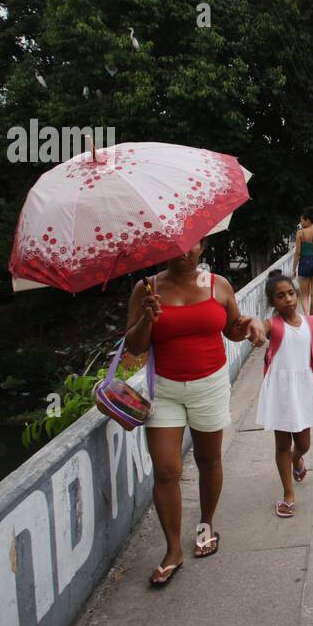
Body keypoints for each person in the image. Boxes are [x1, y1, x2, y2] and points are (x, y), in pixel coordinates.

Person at [126, 237, 266, 588]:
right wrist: (147, 318)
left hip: (210, 386)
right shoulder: (146, 289)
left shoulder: (217, 284)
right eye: (174, 247)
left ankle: (206, 523)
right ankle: (173, 550)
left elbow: (231, 330)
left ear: (202, 246)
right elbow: (134, 346)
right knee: (165, 470)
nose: (184, 254)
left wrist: (249, 324)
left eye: (192, 246)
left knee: (209, 460)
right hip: (165, 389)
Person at [257, 271, 313, 519]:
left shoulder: (311, 323)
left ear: (297, 294)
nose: (288, 299)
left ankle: (297, 459)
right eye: (280, 296)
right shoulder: (273, 325)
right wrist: (254, 329)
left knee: (303, 444)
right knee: (282, 444)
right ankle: (288, 494)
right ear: (272, 302)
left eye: (291, 293)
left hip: (304, 390)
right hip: (280, 393)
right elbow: (260, 328)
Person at [292, 208, 313, 319]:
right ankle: (312, 316)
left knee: (304, 294)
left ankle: (306, 315)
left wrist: (294, 269)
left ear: (308, 220)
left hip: (304, 263)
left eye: (302, 220)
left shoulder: (300, 233)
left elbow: (298, 253)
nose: (301, 223)